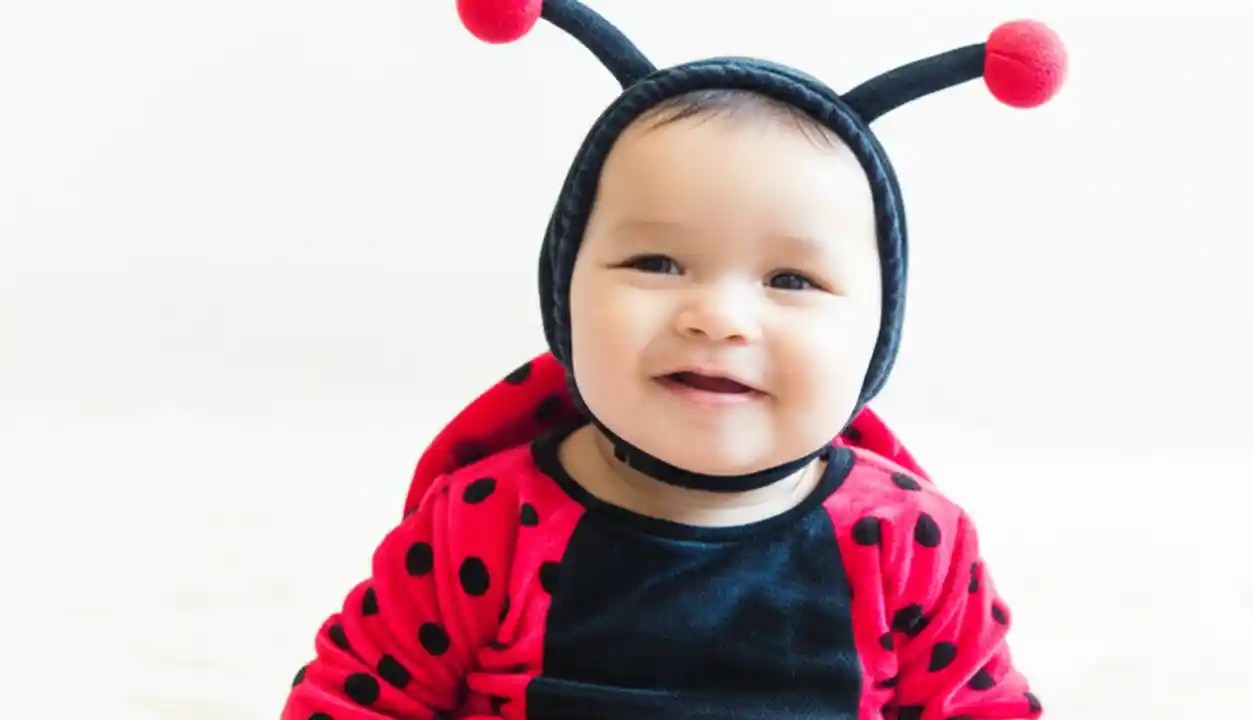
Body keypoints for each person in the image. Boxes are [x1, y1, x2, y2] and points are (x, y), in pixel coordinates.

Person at [282, 1, 1067, 718]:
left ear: (877, 335)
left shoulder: (909, 540)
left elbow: (982, 708)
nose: (719, 318)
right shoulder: (483, 524)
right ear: (564, 292)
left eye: (791, 280)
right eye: (657, 263)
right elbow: (357, 697)